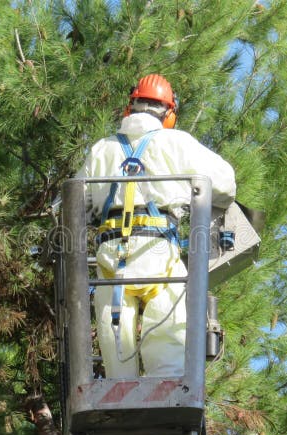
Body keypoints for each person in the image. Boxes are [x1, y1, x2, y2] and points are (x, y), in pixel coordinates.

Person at [76, 74, 236, 378]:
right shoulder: (176, 142)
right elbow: (226, 183)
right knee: (167, 343)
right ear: (169, 113)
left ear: (130, 108)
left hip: (111, 258)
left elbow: (77, 203)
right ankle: (165, 394)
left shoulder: (101, 149)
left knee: (116, 347)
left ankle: (119, 392)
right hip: (159, 251)